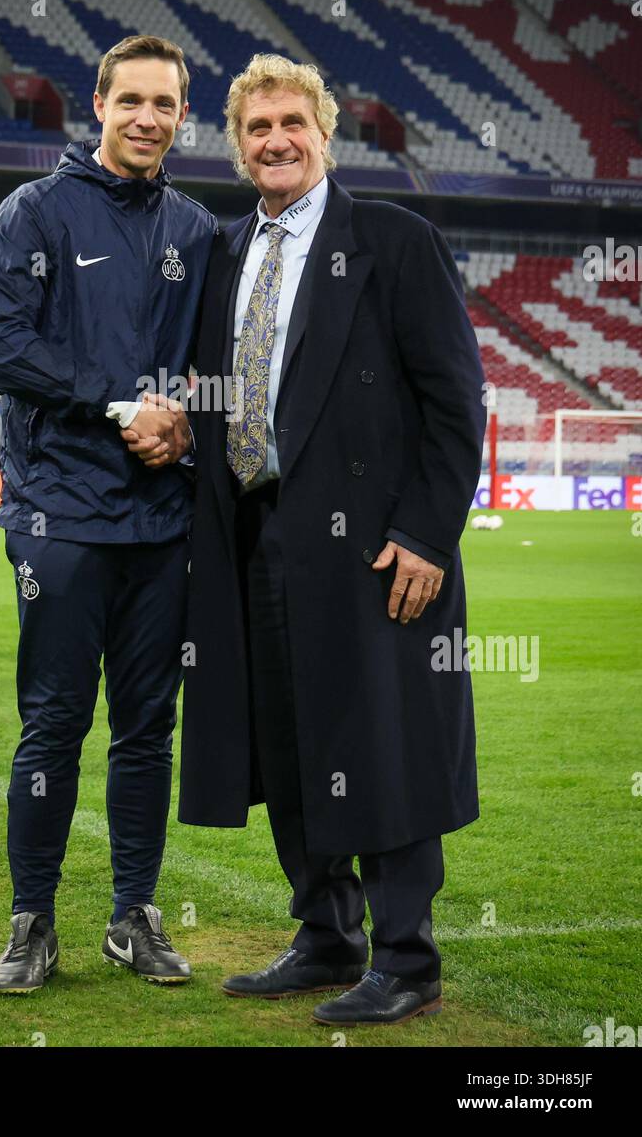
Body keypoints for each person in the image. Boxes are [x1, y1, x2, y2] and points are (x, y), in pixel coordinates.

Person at [174, 54, 486, 1026]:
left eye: (290, 123)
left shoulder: (393, 240)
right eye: (256, 128)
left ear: (324, 132)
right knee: (291, 744)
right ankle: (325, 933)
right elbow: (212, 389)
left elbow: (454, 401)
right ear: (237, 145)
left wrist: (427, 534)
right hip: (257, 536)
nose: (274, 140)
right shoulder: (223, 252)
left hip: (375, 552)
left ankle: (406, 954)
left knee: (383, 745)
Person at [0, 34, 218, 994]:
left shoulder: (198, 231)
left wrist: (188, 430)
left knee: (148, 728)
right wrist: (126, 401)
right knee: (55, 722)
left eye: (165, 105)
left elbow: (222, 374)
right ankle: (33, 919)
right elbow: (0, 346)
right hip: (59, 515)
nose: (148, 119)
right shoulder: (33, 213)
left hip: (162, 518)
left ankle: (132, 915)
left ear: (180, 116)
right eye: (132, 102)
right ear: (100, 105)